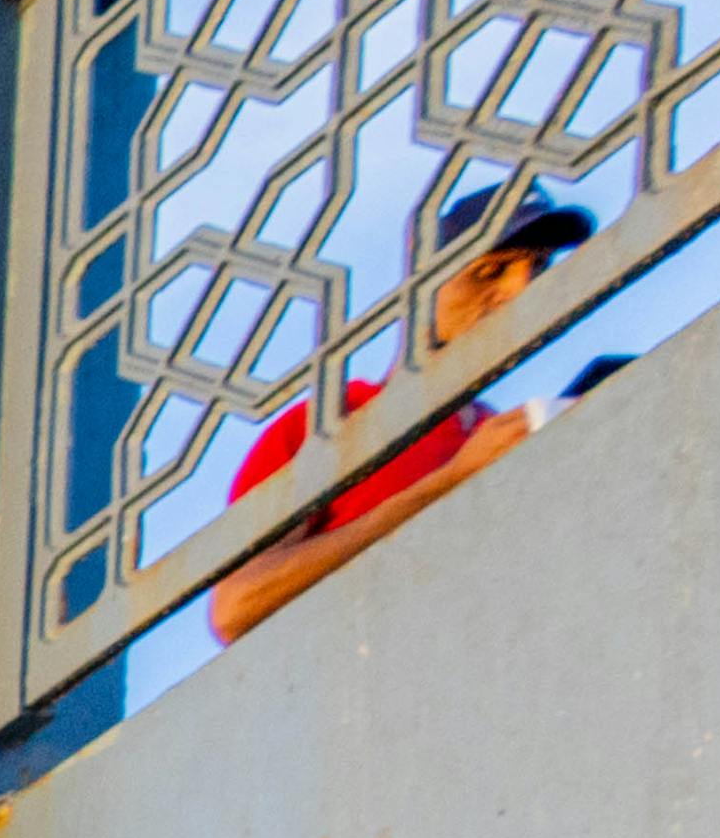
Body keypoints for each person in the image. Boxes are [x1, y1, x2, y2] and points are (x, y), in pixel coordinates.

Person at [205, 168, 602, 646]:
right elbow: (236, 607)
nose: (518, 291)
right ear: (424, 281)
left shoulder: (502, 433)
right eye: (490, 271)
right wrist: (450, 482)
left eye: (536, 269)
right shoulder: (337, 419)